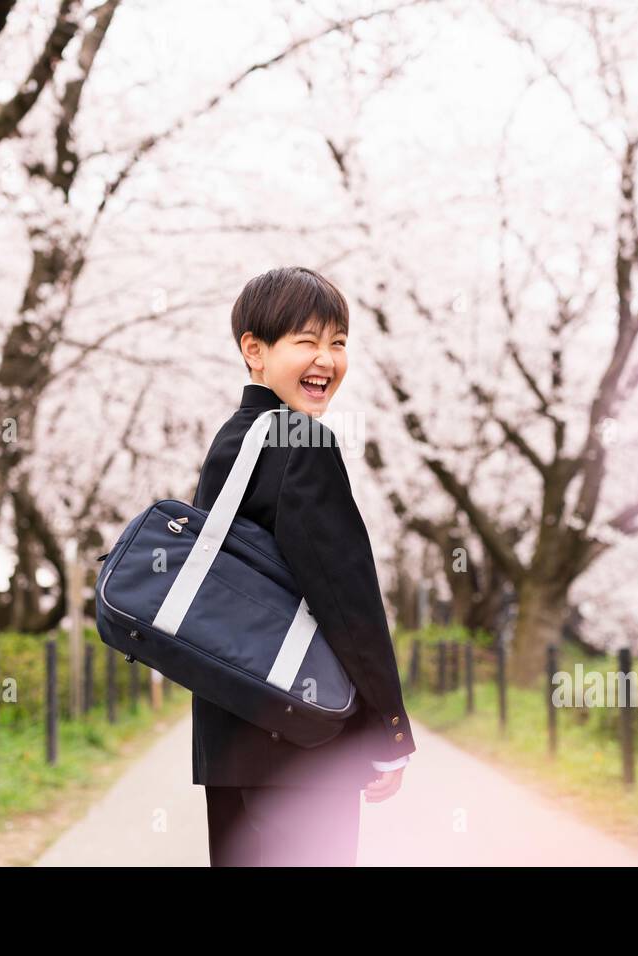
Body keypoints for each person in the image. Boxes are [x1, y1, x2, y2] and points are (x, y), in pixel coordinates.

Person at [191, 266, 416, 866]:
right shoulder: (304, 445)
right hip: (303, 743)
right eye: (307, 341)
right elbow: (347, 601)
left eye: (338, 343)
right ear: (255, 351)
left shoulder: (233, 441)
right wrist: (388, 730)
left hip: (229, 737)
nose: (327, 359)